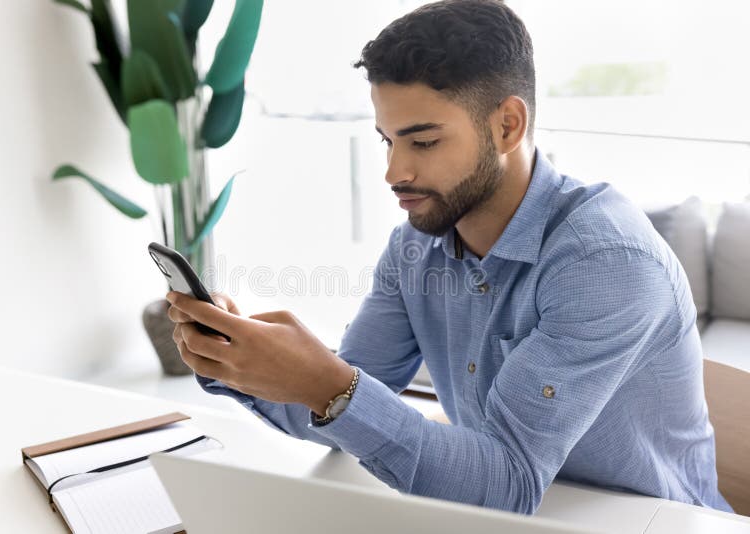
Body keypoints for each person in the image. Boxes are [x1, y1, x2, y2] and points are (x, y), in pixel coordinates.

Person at [166, 0, 733, 515]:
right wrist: (235, 361)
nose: (394, 173)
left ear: (508, 125)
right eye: (388, 141)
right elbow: (347, 410)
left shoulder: (605, 263)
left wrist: (326, 383)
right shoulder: (416, 247)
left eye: (424, 142)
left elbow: (507, 482)